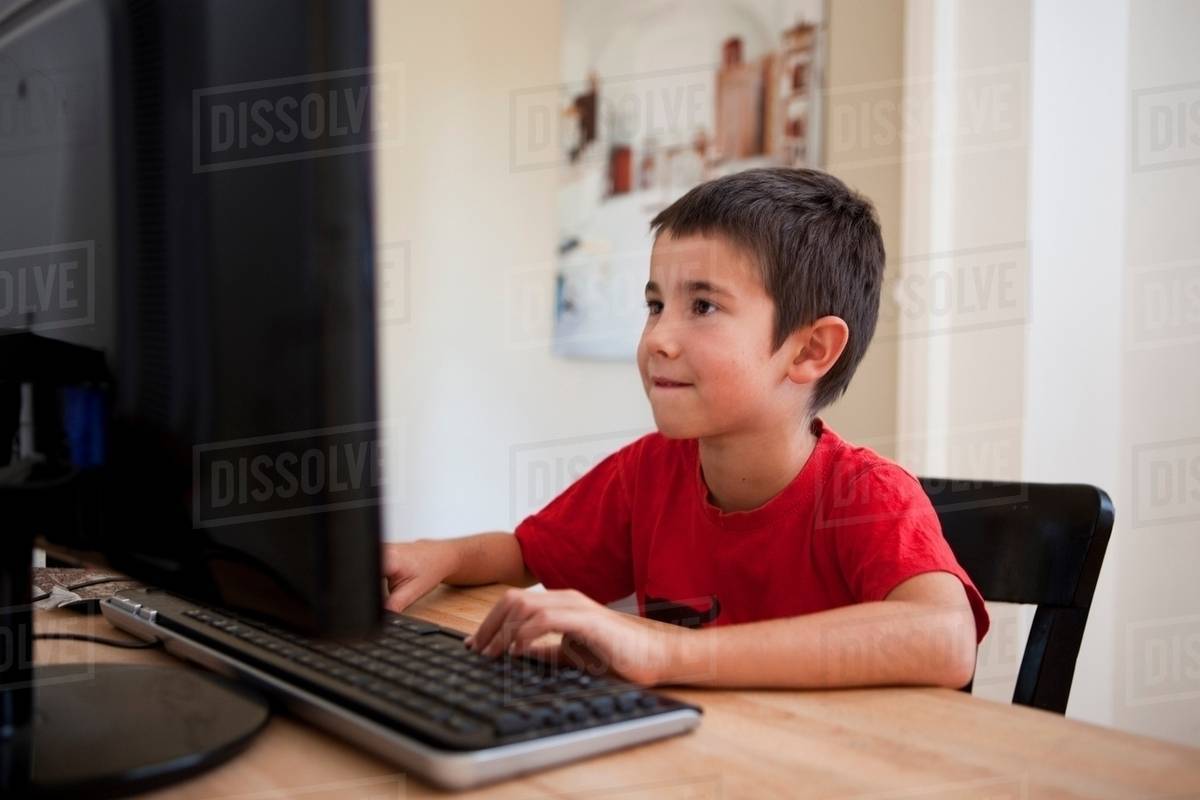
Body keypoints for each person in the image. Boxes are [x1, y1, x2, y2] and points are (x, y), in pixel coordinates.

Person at [382, 168, 989, 689]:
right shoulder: (647, 472)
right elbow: (527, 555)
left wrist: (668, 653)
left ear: (810, 350)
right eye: (655, 306)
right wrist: (441, 554)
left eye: (703, 306)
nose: (658, 339)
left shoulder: (867, 495)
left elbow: (944, 636)